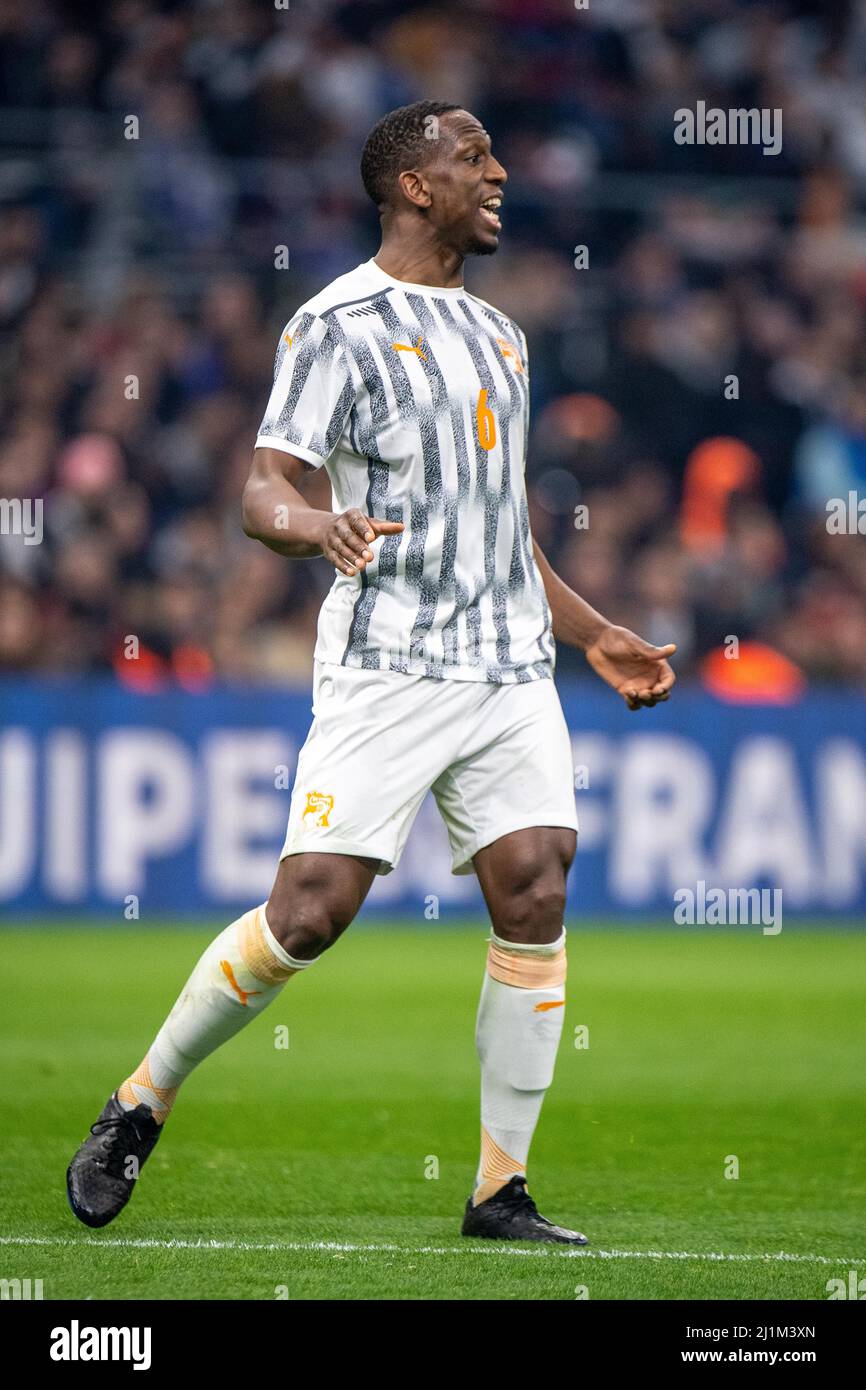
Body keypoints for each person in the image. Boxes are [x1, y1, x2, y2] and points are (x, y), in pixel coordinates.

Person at [67, 101, 675, 1244]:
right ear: (411, 186)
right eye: (473, 159)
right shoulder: (333, 324)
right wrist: (316, 526)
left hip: (505, 667)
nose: (498, 174)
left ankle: (499, 1188)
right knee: (309, 911)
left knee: (537, 878)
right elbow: (263, 489)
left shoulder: (503, 337)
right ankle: (140, 1100)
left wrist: (590, 633)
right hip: (388, 663)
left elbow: (500, 528)